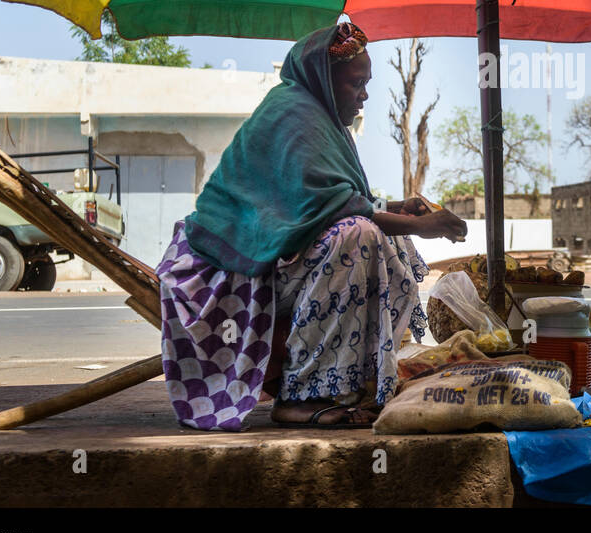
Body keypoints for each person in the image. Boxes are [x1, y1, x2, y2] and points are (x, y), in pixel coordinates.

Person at [156, 21, 467, 431]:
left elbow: (329, 200)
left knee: (380, 235)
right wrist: (423, 223)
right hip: (225, 273)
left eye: (366, 82)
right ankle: (302, 396)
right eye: (356, 83)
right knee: (358, 237)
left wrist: (402, 210)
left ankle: (355, 379)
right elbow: (335, 209)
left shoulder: (318, 116)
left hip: (268, 259)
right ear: (324, 78)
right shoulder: (294, 114)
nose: (365, 94)